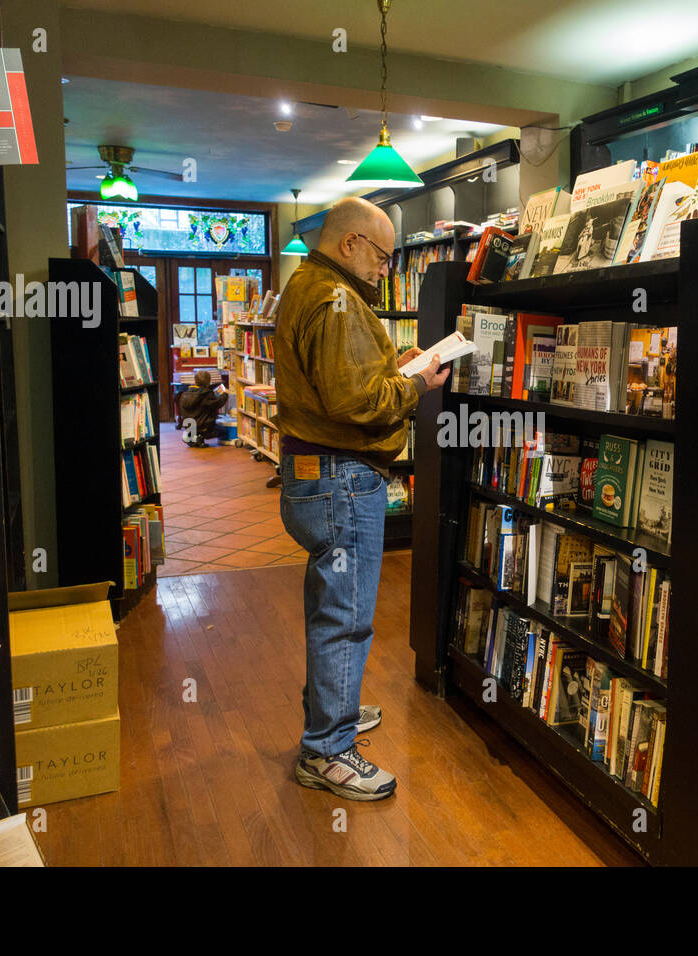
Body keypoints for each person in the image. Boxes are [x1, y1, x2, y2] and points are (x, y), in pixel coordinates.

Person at [272, 196, 449, 801]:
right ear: (349, 243)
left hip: (316, 474)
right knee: (345, 619)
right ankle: (327, 749)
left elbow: (342, 384)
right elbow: (354, 403)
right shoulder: (338, 299)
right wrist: (416, 384)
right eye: (382, 254)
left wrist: (394, 369)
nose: (386, 267)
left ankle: (332, 711)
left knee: (331, 607)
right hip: (342, 478)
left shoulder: (310, 287)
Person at [177, 370, 227, 447]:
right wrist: (225, 394)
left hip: (189, 426)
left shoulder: (185, 394)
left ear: (195, 381)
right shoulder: (205, 395)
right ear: (208, 382)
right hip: (204, 427)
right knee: (223, 431)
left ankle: (192, 436)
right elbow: (218, 403)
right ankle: (200, 437)